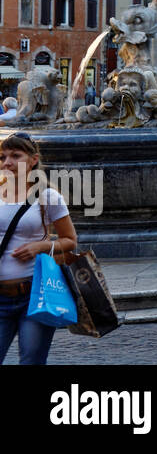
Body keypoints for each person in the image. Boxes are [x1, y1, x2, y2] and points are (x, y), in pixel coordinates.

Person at [0, 134, 79, 365]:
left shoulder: (47, 196)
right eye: (3, 157)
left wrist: (41, 246)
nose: (7, 163)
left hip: (35, 294)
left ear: (33, 160)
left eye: (16, 156)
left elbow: (70, 240)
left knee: (32, 360)